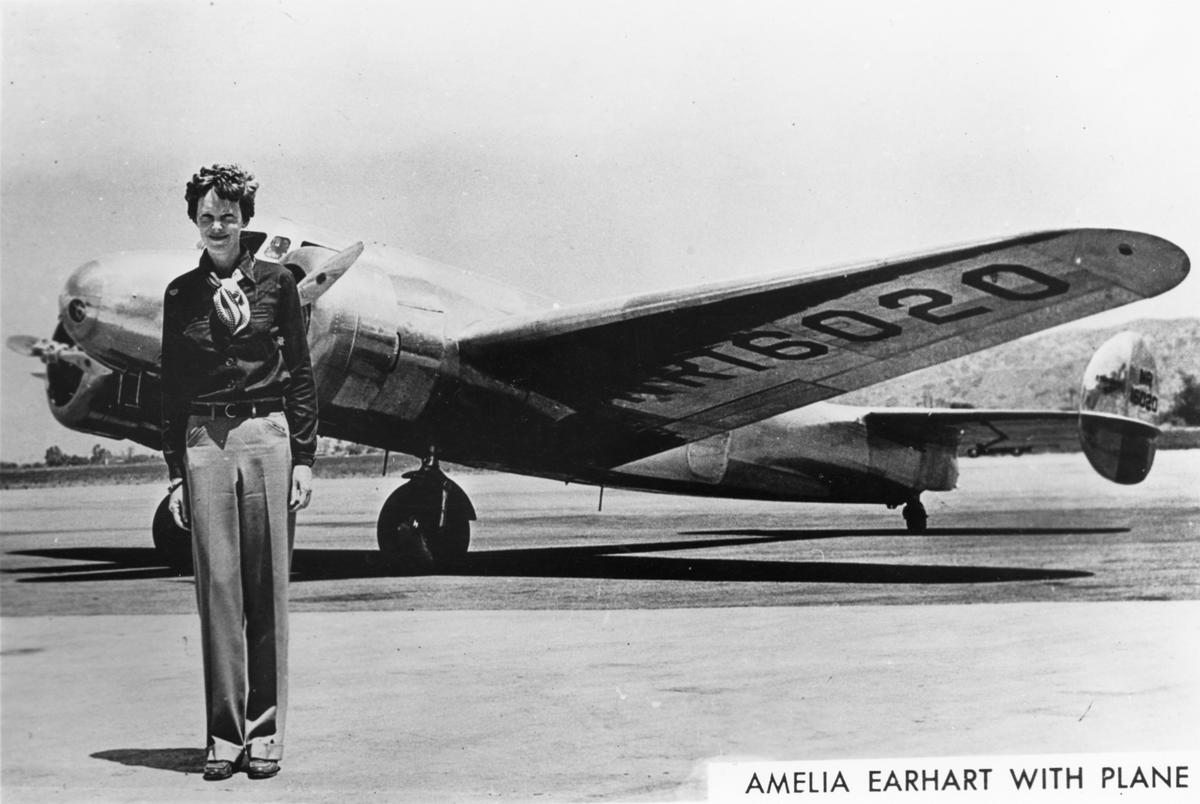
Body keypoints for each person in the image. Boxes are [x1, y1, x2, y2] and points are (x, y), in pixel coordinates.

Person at [160, 163, 317, 781]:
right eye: (206, 217)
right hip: (205, 439)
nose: (217, 226)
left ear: (245, 219)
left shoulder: (278, 284)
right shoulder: (180, 295)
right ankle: (224, 738)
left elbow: (300, 375)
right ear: (195, 224)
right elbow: (171, 386)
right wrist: (177, 469)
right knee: (217, 593)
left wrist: (304, 458)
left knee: (267, 591)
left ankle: (266, 734)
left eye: (227, 216)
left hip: (266, 437)